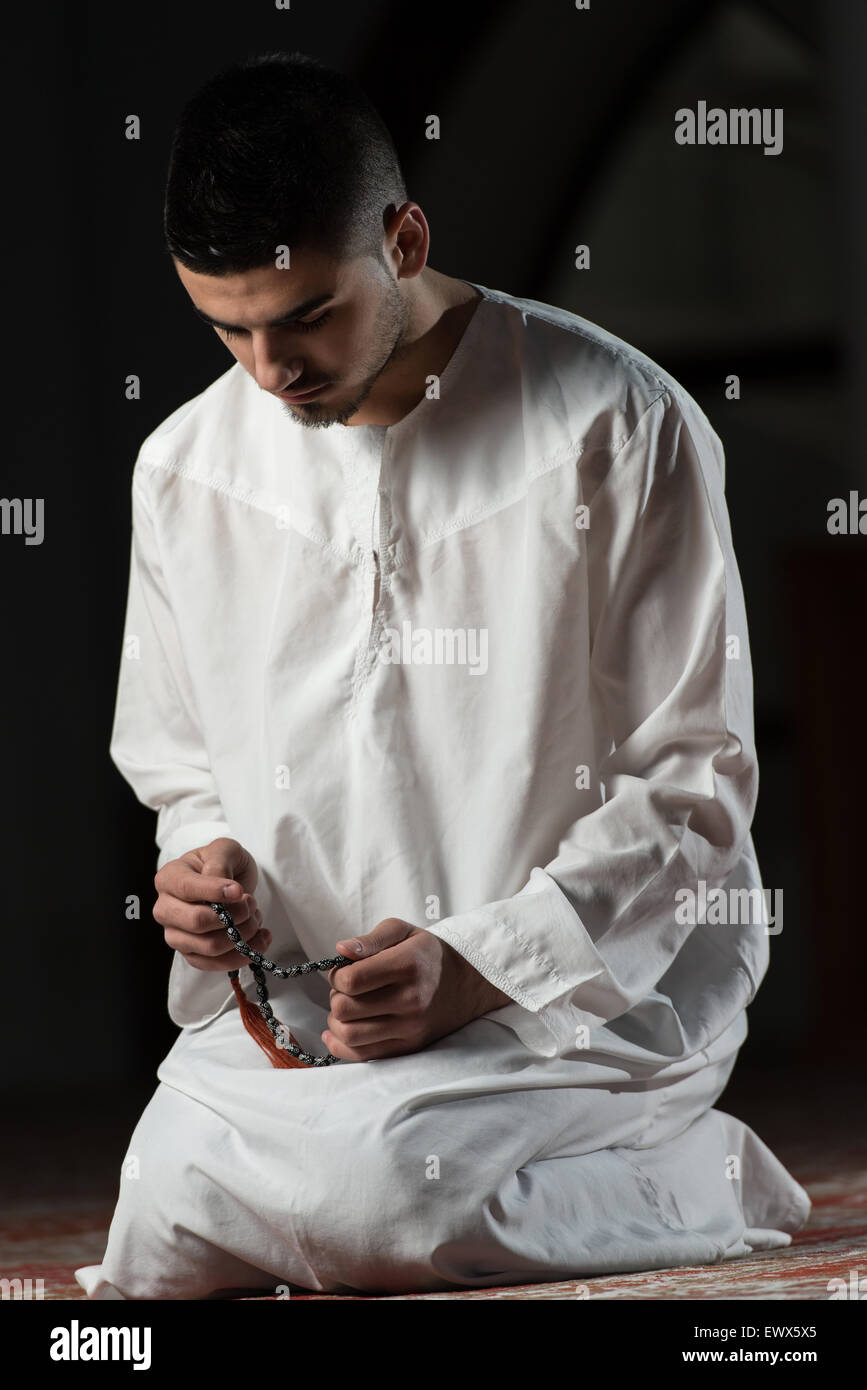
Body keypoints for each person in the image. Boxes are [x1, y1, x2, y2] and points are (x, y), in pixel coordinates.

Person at [75, 50, 810, 1300]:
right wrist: (202, 869)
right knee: (164, 1203)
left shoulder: (616, 424)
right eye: (228, 325)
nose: (270, 369)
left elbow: (695, 786)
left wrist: (476, 965)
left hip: (569, 1011)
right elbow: (179, 760)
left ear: (405, 240)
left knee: (390, 1194)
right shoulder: (184, 467)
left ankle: (700, 1165)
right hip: (315, 1021)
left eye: (305, 315)